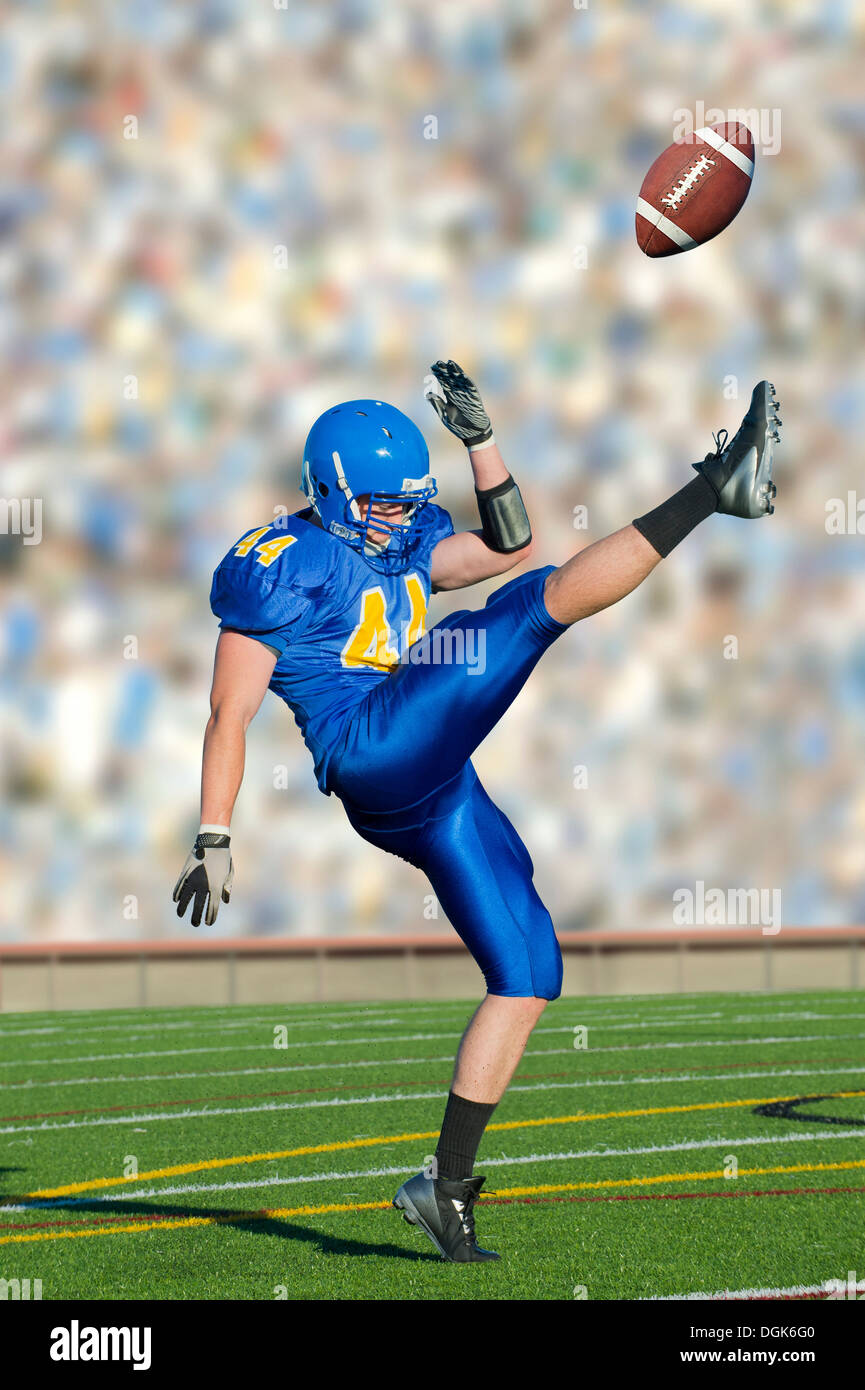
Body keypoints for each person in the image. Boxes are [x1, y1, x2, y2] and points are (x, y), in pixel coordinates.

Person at [174, 361, 781, 1262]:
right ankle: (710, 488)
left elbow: (510, 543)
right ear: (331, 490)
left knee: (531, 970)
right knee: (530, 613)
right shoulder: (278, 564)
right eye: (380, 501)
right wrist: (214, 833)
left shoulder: (409, 533)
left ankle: (444, 1186)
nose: (397, 515)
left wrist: (480, 444)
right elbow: (230, 712)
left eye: (405, 499)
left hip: (433, 773)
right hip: (368, 749)